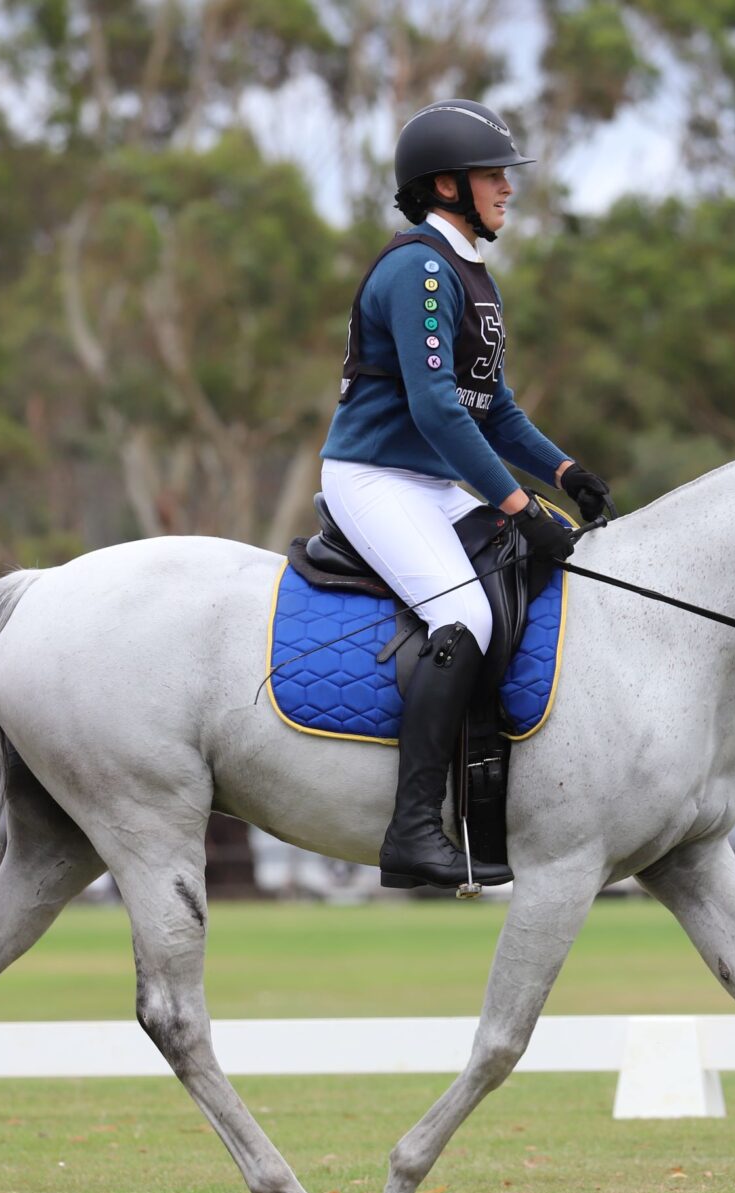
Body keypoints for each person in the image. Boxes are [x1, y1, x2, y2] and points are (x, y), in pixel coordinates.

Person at [319, 97, 616, 892]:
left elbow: (497, 410)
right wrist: (518, 509)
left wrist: (564, 476)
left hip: (434, 481)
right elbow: (437, 411)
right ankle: (414, 826)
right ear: (445, 185)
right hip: (376, 478)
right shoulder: (417, 267)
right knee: (467, 614)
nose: (507, 189)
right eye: (493, 176)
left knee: (544, 575)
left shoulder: (470, 272)